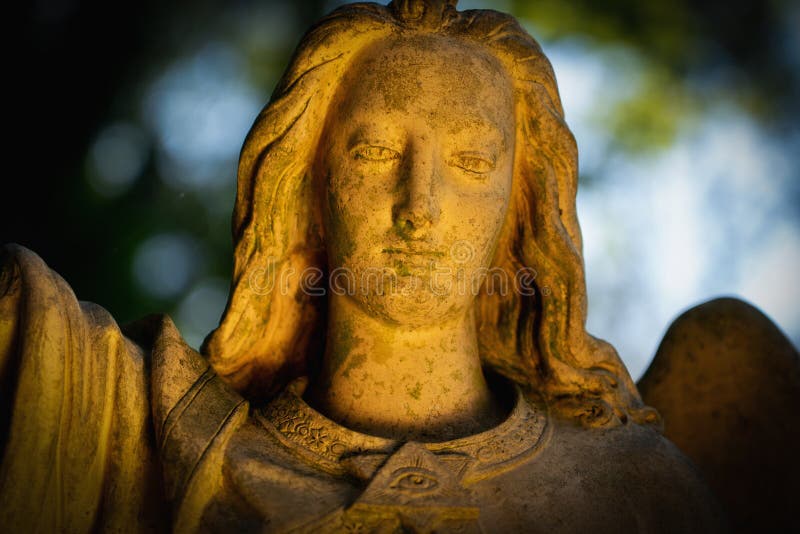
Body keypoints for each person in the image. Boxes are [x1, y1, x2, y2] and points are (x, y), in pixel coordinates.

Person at [3, 0, 770, 531]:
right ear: (306, 187)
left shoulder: (633, 491)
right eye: (373, 153)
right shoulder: (151, 448)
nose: (420, 205)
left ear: (521, 206)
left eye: (471, 162)